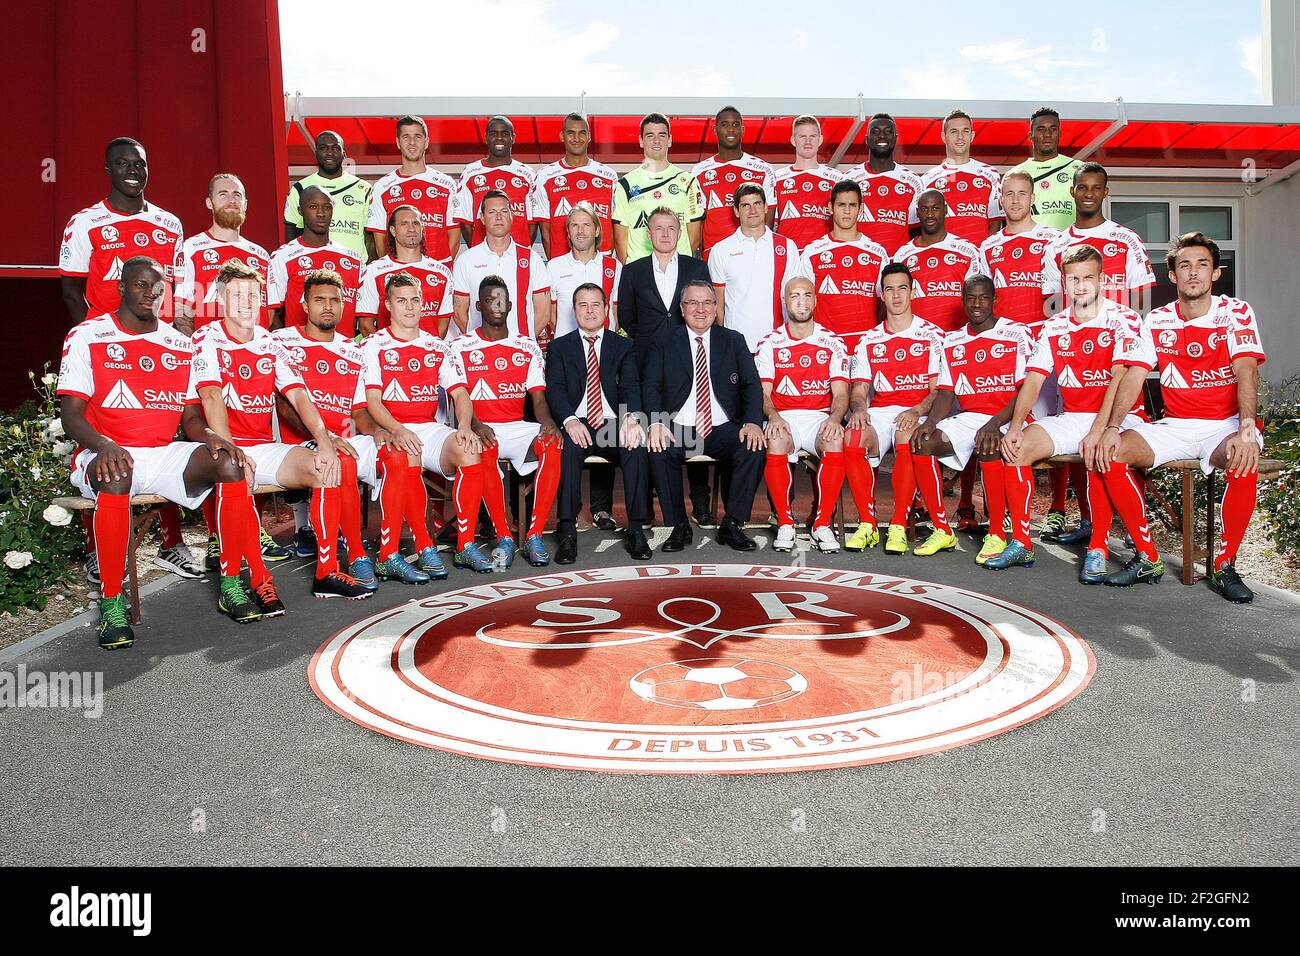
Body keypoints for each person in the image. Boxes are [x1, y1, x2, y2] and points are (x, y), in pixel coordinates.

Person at [57, 257, 246, 649]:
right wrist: (103, 444)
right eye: (141, 286)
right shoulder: (87, 335)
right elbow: (71, 415)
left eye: (157, 289)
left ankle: (230, 584)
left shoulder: (178, 342)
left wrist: (211, 435)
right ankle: (111, 603)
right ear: (122, 287)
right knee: (117, 473)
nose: (150, 295)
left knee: (229, 463)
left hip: (161, 454)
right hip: (103, 453)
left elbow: (191, 418)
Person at [1093, 232, 1266, 600]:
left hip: (1226, 425)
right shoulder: (1156, 319)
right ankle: (1147, 557)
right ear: (1172, 275)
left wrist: (1247, 428)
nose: (1193, 273)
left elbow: (1247, 369)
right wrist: (1111, 427)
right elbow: (1134, 374)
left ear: (1215, 274)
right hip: (1176, 425)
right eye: (1185, 265)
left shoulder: (1235, 311)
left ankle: (1224, 565)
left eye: (1202, 265)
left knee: (1242, 456)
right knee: (1110, 452)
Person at [58, 137, 193, 585]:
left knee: (164, 439)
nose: (132, 170)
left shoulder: (169, 223)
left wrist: (175, 335)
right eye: (122, 163)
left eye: (139, 163)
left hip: (162, 351)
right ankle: (103, 552)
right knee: (105, 444)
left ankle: (173, 544)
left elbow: (175, 288)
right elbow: (71, 289)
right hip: (108, 353)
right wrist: (99, 336)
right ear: (107, 168)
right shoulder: (86, 223)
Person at [190, 261, 348, 620]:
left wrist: (323, 439)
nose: (246, 302)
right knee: (233, 472)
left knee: (323, 466)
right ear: (220, 298)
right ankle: (255, 580)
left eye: (252, 295)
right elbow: (211, 397)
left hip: (263, 445)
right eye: (236, 295)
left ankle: (326, 571)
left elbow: (299, 395)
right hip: (221, 443)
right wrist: (232, 451)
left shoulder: (269, 341)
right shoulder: (206, 338)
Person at [998, 245, 1149, 576]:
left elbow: (1119, 379)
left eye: (1088, 278)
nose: (1081, 286)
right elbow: (1034, 381)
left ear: (1102, 280)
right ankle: (1022, 544)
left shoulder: (1124, 319)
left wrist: (1099, 429)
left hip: (1119, 419)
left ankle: (1098, 545)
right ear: (1064, 284)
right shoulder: (1054, 326)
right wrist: (1014, 426)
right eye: (1073, 279)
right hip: (1074, 416)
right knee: (1016, 449)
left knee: (1098, 451)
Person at [1039, 162, 1155, 542]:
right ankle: (1087, 522)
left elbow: (1143, 301)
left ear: (1105, 192)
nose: (1088, 193)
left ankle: (1116, 532)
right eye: (1082, 187)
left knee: (1110, 436)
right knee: (1074, 433)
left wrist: (1127, 343)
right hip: (1075, 352)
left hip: (1118, 352)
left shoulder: (1127, 239)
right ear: (1072, 192)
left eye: (1096, 187)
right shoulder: (1057, 244)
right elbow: (1052, 303)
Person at [357, 272, 489, 577]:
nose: (409, 307)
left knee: (469, 450)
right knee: (407, 452)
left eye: (415, 300)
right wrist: (398, 430)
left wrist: (465, 426)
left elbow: (460, 394)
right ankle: (424, 544)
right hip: (389, 429)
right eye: (401, 300)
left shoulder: (438, 346)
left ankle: (465, 546)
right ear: (388, 304)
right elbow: (373, 402)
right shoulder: (373, 345)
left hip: (428, 427)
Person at [909, 276, 1037, 558]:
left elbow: (1024, 390)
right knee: (921, 442)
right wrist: (928, 423)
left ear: (994, 299)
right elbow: (945, 393)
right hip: (969, 418)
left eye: (983, 297)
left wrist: (993, 423)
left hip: (1009, 417)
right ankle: (942, 530)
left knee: (988, 444)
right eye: (970, 298)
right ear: (963, 300)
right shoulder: (952, 340)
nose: (977, 304)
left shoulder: (1016, 333)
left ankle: (997, 534)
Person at [271, 270, 380, 595]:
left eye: (335, 300)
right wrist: (323, 438)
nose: (328, 306)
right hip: (297, 440)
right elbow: (284, 405)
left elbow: (360, 410)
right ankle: (350, 556)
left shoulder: (353, 350)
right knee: (340, 460)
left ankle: (389, 552)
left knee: (392, 453)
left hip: (341, 435)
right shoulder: (282, 342)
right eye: (320, 300)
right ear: (304, 304)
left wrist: (379, 433)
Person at [645, 280, 766, 553]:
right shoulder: (664, 341)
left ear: (715, 307)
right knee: (659, 448)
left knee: (753, 446)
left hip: (721, 425)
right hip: (680, 425)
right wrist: (654, 423)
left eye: (707, 302)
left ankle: (733, 523)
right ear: (682, 308)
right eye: (693, 302)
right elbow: (650, 385)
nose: (700, 309)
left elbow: (751, 385)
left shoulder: (733, 340)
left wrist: (752, 422)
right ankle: (679, 526)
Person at [454, 276, 563, 569]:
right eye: (490, 300)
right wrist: (475, 423)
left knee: (552, 443)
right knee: (484, 448)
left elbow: (538, 399)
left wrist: (548, 422)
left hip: (517, 426)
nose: (497, 306)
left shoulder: (526, 346)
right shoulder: (461, 346)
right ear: (478, 305)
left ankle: (535, 534)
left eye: (502, 299)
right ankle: (504, 534)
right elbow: (458, 395)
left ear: (511, 305)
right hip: (482, 426)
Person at [893, 188, 984, 530]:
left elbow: (979, 297)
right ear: (917, 213)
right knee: (924, 429)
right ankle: (918, 501)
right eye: (924, 209)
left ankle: (965, 506)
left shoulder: (966, 251)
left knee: (967, 426)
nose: (930, 214)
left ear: (946, 210)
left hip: (960, 348)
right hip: (922, 351)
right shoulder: (904, 253)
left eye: (936, 208)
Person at [616, 208, 714, 525]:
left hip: (688, 360)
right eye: (659, 228)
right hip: (646, 362)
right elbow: (627, 319)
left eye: (671, 228)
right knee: (650, 431)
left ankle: (699, 502)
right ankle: (644, 508)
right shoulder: (632, 271)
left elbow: (703, 309)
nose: (666, 234)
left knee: (694, 425)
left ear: (679, 231)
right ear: (649, 233)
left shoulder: (696, 267)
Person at [545, 283, 653, 564]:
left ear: (606, 309)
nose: (590, 311)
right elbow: (554, 389)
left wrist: (631, 418)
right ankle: (567, 530)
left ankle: (637, 528)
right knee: (567, 448)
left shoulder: (623, 346)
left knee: (635, 443)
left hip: (613, 422)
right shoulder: (560, 347)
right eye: (583, 305)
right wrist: (568, 420)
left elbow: (631, 385)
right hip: (578, 420)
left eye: (596, 305)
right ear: (574, 311)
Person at [846, 263, 945, 555]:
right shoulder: (870, 339)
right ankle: (868, 524)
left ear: (912, 291)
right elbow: (859, 389)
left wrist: (916, 411)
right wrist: (858, 408)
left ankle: (899, 524)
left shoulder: (931, 335)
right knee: (853, 437)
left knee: (906, 436)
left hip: (918, 411)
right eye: (889, 289)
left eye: (903, 288)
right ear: (882, 295)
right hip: (881, 410)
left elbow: (937, 390)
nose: (897, 295)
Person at [755, 277, 851, 553]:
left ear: (815, 300)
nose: (801, 301)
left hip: (820, 415)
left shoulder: (832, 342)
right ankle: (785, 522)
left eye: (807, 295)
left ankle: (822, 523)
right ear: (785, 302)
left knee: (835, 439)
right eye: (794, 296)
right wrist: (773, 416)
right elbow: (763, 393)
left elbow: (841, 394)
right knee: (774, 440)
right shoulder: (770, 342)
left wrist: (834, 419)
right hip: (783, 415)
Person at [798, 179, 890, 353]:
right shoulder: (812, 252)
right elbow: (803, 303)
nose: (847, 211)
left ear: (860, 209)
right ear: (831, 207)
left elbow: (884, 304)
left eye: (852, 205)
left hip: (865, 349)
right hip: (824, 348)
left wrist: (872, 338)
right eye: (841, 205)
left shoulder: (877, 252)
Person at [708, 183, 803, 352]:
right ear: (736, 211)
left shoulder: (787, 246)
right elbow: (718, 305)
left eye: (757, 204)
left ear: (766, 207)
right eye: (746, 205)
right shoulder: (720, 250)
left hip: (778, 345)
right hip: (736, 347)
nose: (752, 210)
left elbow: (795, 298)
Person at [176, 173, 271, 331]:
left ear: (245, 204)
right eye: (223, 194)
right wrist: (201, 349)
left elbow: (268, 314)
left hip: (254, 352)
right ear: (209, 203)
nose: (232, 200)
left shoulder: (261, 255)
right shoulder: (191, 248)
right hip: (211, 351)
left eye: (237, 195)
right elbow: (181, 311)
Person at [451, 190, 551, 340]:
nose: (499, 217)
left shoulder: (532, 259)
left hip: (520, 353)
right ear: (482, 218)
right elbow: (459, 313)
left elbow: (543, 313)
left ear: (512, 216)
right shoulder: (465, 260)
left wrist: (522, 342)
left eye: (504, 211)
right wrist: (479, 342)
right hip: (480, 354)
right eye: (492, 212)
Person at [268, 185, 363, 335]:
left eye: (327, 207)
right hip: (301, 353)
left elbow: (363, 318)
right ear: (300, 211)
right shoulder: (282, 256)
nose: (321, 213)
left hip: (343, 352)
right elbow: (272, 316)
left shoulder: (354, 259)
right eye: (313, 207)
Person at [612, 113, 705, 263]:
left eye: (662, 135)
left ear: (670, 140)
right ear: (641, 141)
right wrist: (634, 271)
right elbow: (620, 240)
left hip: (678, 270)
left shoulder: (688, 182)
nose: (656, 141)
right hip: (640, 272)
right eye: (650, 136)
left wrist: (674, 266)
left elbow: (694, 239)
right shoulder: (625, 184)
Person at [367, 115, 460, 264]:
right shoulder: (382, 187)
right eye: (406, 137)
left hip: (435, 277)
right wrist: (394, 270)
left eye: (417, 136)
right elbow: (380, 241)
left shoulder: (447, 184)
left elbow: (454, 237)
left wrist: (437, 269)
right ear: (398, 142)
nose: (412, 142)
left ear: (426, 141)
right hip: (399, 280)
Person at [357, 204, 454, 336]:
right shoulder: (373, 271)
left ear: (422, 228)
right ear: (393, 230)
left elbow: (442, 324)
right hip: (389, 355)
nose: (411, 228)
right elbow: (366, 325)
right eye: (404, 224)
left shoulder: (442, 272)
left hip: (427, 353)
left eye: (416, 223)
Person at [531, 112, 617, 258]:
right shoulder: (545, 176)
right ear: (562, 136)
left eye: (582, 133)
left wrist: (607, 260)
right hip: (562, 264)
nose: (576, 138)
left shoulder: (608, 175)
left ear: (589, 136)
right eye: (571, 133)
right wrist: (555, 264)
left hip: (601, 263)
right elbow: (545, 228)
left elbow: (615, 224)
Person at [693, 106, 775, 258]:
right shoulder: (700, 171)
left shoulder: (763, 169)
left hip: (753, 254)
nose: (731, 130)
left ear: (743, 130)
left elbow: (768, 218)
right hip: (713, 255)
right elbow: (698, 221)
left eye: (735, 124)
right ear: (715, 129)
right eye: (724, 125)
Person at [917, 109, 1003, 245]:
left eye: (965, 131)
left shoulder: (990, 174)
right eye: (954, 131)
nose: (960, 137)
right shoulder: (927, 179)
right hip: (942, 258)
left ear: (972, 135)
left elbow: (995, 224)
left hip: (979, 261)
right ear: (943, 136)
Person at [283, 130, 373, 261]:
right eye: (323, 148)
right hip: (313, 268)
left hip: (354, 270)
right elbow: (291, 237)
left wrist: (366, 267)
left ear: (344, 153)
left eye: (335, 148)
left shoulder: (364, 188)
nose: (329, 152)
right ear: (316, 153)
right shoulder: (300, 188)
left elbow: (371, 239)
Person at [844, 114, 923, 256]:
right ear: (867, 139)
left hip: (897, 269)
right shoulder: (849, 179)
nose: (882, 136)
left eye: (888, 132)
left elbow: (916, 231)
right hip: (859, 263)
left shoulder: (913, 181)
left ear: (895, 138)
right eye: (875, 131)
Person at [453, 116, 536, 248]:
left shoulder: (528, 174)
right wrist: (479, 251)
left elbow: (532, 224)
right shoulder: (470, 172)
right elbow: (465, 222)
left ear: (513, 138)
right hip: (481, 259)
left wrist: (520, 251)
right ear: (485, 137)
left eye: (505, 133)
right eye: (494, 133)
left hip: (518, 257)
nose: (499, 138)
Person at [547, 201, 622, 337]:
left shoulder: (614, 266)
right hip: (568, 351)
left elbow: (616, 313)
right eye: (574, 225)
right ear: (568, 232)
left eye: (586, 225)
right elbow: (551, 315)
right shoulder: (554, 266)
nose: (580, 231)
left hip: (604, 350)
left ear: (597, 230)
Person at [1006, 106, 1087, 231]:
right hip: (1027, 247)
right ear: (1030, 135)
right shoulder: (1015, 174)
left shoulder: (1079, 169)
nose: (1047, 134)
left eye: (1053, 129)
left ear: (1059, 133)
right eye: (1041, 129)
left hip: (1067, 248)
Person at [771, 115, 843, 250]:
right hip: (790, 258)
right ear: (793, 140)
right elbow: (770, 226)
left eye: (813, 136)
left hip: (825, 257)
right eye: (802, 136)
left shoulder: (836, 179)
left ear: (820, 139)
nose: (808, 141)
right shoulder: (777, 178)